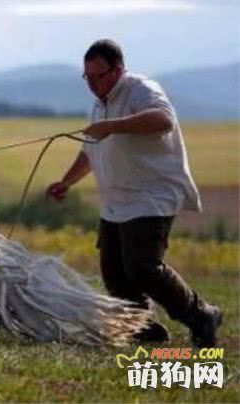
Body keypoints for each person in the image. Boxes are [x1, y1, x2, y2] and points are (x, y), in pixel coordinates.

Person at [46, 39, 222, 347]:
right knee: (114, 273)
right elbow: (91, 152)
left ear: (118, 70)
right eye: (87, 77)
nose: (93, 84)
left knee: (142, 266)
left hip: (152, 194)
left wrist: (113, 125)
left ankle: (201, 314)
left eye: (99, 76)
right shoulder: (99, 104)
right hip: (115, 201)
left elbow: (164, 120)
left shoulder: (141, 89)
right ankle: (146, 330)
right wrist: (67, 181)